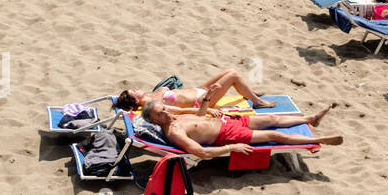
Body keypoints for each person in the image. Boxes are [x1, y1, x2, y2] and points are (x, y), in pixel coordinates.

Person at [141, 101, 343, 158]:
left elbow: (199, 119)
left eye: (164, 108)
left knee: (270, 118)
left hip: (228, 121)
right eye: (160, 114)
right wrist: (232, 148)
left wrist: (206, 101)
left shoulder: (176, 117)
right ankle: (321, 140)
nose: (166, 113)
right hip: (227, 135)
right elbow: (201, 153)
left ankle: (311, 119)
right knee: (274, 135)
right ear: (155, 121)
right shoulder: (174, 133)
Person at [116, 70, 276, 115]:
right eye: (134, 92)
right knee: (233, 76)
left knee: (230, 71)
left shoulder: (151, 94)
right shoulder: (153, 104)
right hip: (202, 100)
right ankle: (257, 102)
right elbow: (180, 110)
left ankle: (248, 92)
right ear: (135, 101)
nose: (136, 89)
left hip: (200, 89)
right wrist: (204, 109)